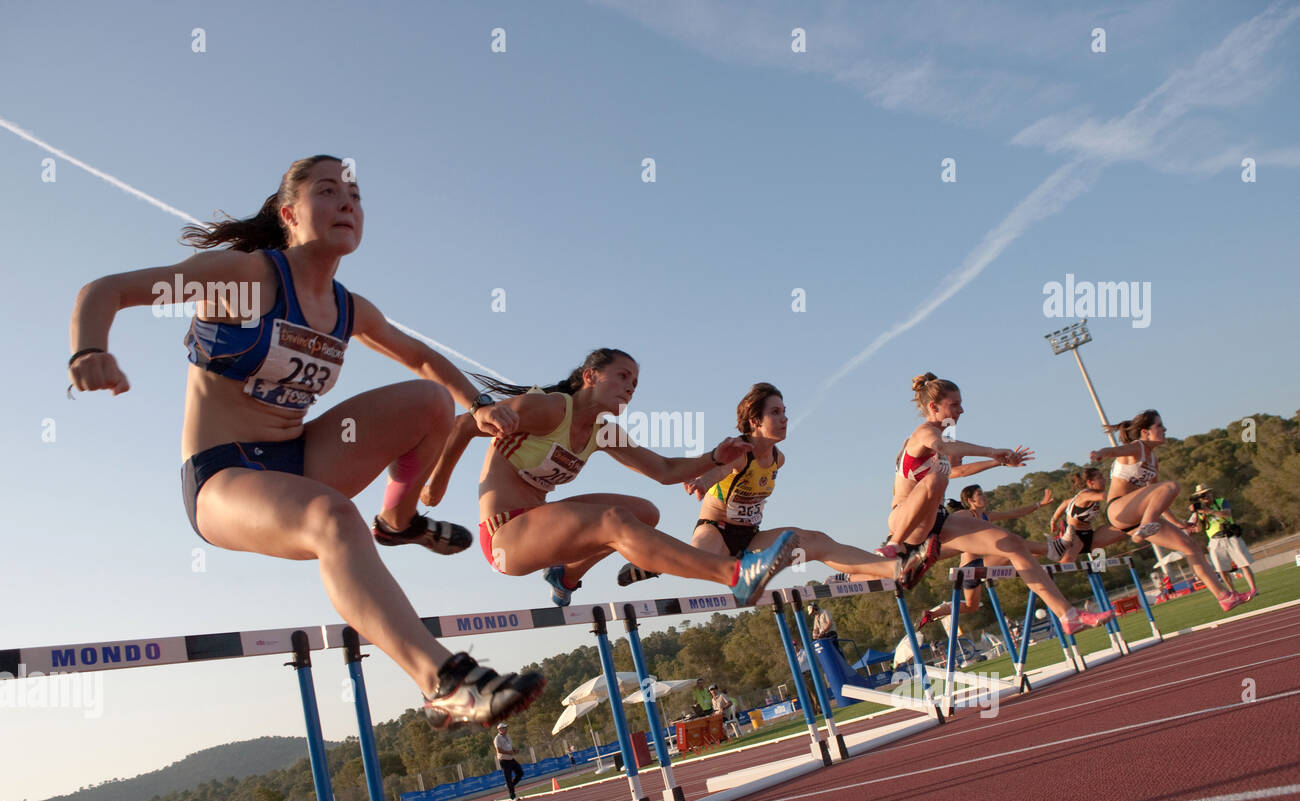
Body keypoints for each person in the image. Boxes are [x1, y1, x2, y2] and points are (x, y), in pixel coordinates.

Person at [66, 155, 543, 731]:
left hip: (302, 458)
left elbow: (419, 355)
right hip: (224, 476)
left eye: (356, 195)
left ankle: (398, 521)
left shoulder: (348, 308)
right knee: (333, 518)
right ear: (290, 214)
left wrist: (478, 403)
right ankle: (445, 683)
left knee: (430, 402)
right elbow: (107, 290)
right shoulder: (241, 276)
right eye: (329, 191)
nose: (348, 203)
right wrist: (89, 352)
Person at [419, 350, 798, 607]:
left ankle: (565, 578)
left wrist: (715, 457)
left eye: (635, 382)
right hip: (504, 536)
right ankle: (733, 574)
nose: (631, 387)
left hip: (540, 523)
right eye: (622, 377)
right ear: (589, 377)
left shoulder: (604, 431)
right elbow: (462, 425)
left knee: (644, 513)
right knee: (614, 521)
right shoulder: (548, 409)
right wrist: (435, 483)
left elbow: (664, 471)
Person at [884, 374, 1115, 634]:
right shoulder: (924, 433)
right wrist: (991, 450)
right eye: (955, 404)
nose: (962, 410)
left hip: (937, 519)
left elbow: (956, 471)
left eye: (961, 404)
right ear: (934, 407)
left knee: (1014, 545)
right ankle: (897, 546)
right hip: (908, 520)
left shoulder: (946, 435)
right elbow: (945, 448)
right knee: (934, 480)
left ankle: (1068, 615)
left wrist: (998, 461)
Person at [617, 384, 905, 588]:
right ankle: (651, 564)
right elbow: (720, 469)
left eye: (784, 411)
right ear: (755, 421)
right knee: (694, 562)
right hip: (716, 531)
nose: (784, 418)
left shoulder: (779, 459)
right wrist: (701, 480)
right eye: (775, 412)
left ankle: (895, 568)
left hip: (751, 538)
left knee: (817, 541)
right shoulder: (741, 452)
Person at [1091, 411, 1247, 612]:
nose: (1164, 429)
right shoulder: (1137, 448)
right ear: (1145, 432)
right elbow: (1114, 451)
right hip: (1119, 508)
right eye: (1159, 426)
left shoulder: (1153, 460)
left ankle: (1224, 597)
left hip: (1138, 519)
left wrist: (1178, 523)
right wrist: (1099, 454)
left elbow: (1157, 497)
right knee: (1172, 486)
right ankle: (1147, 525)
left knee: (1190, 546)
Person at [913, 483, 1055, 629]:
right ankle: (1051, 548)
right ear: (970, 500)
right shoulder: (966, 515)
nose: (984, 496)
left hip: (973, 570)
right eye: (979, 494)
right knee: (1016, 549)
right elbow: (945, 525)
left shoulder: (987, 516)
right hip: (971, 567)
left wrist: (1039, 504)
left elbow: (1015, 513)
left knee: (971, 606)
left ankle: (931, 614)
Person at [1188, 484, 1259, 600]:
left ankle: (1253, 589)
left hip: (1230, 536)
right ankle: (1232, 592)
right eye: (1201, 496)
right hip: (1215, 540)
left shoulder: (1221, 502)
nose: (1205, 497)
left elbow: (1227, 514)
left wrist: (1209, 511)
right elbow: (1198, 529)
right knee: (1222, 569)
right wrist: (1198, 514)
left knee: (1243, 564)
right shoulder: (1200, 511)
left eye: (1206, 494)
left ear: (1211, 493)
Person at [493, 722, 524, 801]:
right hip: (504, 760)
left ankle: (510, 785)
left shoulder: (508, 736)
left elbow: (509, 747)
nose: (506, 729)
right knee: (508, 778)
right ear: (499, 730)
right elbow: (499, 750)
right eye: (504, 728)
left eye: (506, 727)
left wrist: (514, 750)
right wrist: (509, 753)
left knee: (520, 772)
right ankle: (512, 797)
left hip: (511, 758)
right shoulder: (497, 738)